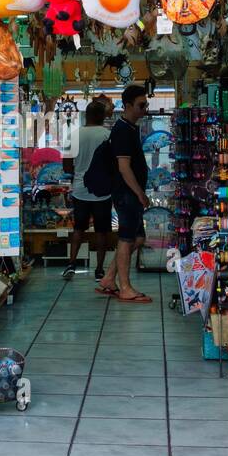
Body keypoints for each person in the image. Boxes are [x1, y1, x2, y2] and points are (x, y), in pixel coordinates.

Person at [97, 84, 152, 303]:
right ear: (128, 105)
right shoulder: (121, 130)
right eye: (141, 105)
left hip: (129, 193)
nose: (145, 109)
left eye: (146, 104)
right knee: (127, 238)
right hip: (126, 193)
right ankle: (125, 287)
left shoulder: (129, 128)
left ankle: (109, 278)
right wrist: (139, 193)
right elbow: (124, 167)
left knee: (137, 238)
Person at [63, 101, 114, 279]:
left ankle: (71, 265)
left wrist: (80, 171)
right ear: (101, 116)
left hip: (80, 189)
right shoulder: (108, 135)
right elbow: (114, 165)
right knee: (102, 231)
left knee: (79, 228)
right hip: (103, 192)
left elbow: (67, 167)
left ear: (87, 115)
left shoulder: (73, 135)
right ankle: (99, 270)